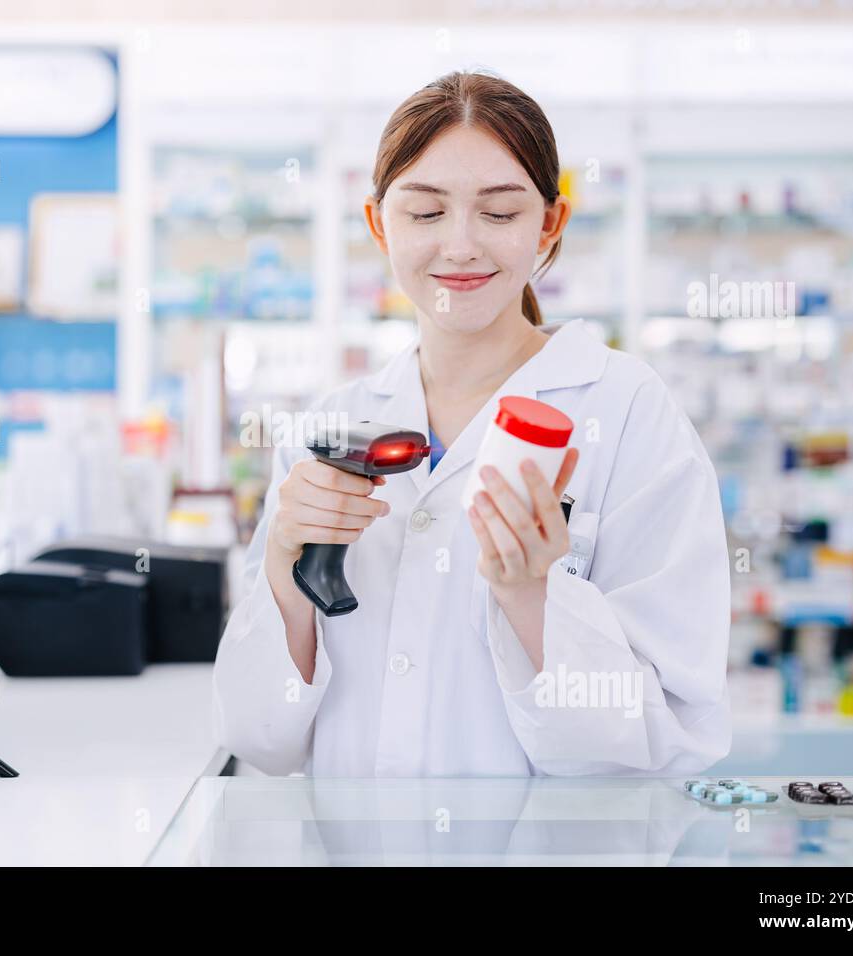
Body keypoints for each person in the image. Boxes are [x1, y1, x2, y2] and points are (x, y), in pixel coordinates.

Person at [213, 71, 730, 777]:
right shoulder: (332, 425)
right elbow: (261, 739)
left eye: (500, 213)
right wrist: (283, 567)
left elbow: (665, 741)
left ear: (550, 222)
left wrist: (531, 596)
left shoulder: (627, 411)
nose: (460, 247)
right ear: (377, 224)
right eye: (425, 213)